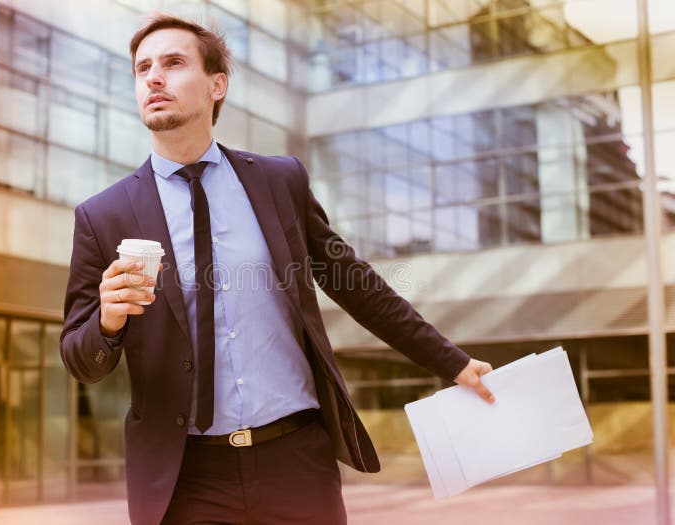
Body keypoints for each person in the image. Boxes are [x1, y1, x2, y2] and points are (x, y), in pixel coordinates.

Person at [60, 13, 495, 525]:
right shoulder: (103, 216)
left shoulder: (278, 182)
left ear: (216, 84)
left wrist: (452, 362)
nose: (153, 77)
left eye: (174, 63)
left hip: (296, 461)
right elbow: (79, 358)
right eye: (143, 68)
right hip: (185, 479)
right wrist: (109, 322)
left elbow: (357, 286)